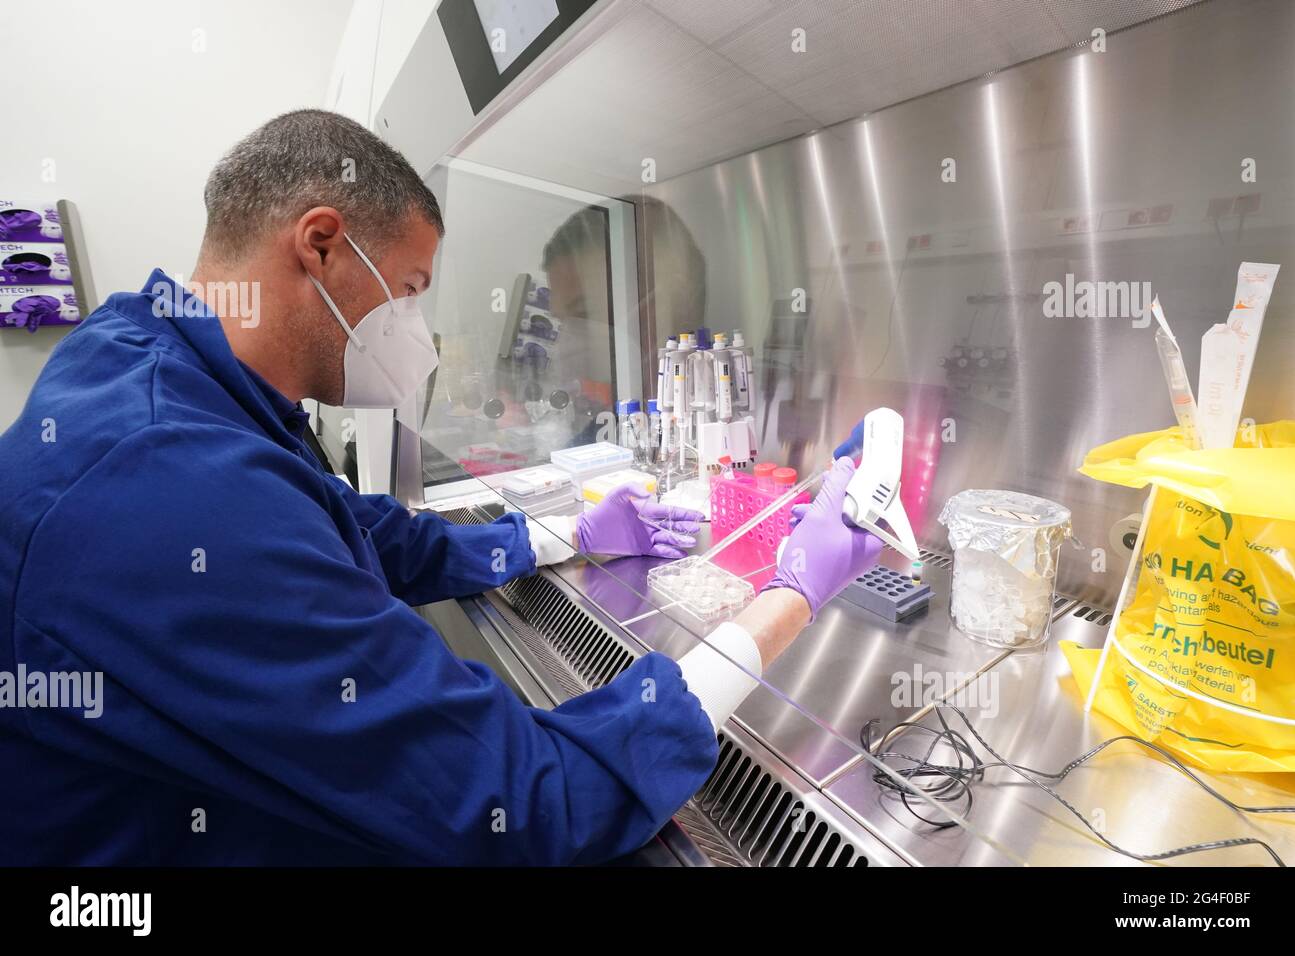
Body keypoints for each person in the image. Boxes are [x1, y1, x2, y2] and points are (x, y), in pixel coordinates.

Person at [0, 110, 881, 865]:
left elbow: (357, 529)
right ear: (320, 246)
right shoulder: (168, 487)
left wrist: (565, 536)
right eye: (412, 292)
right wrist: (788, 596)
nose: (417, 329)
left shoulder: (152, 360)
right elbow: (533, 801)